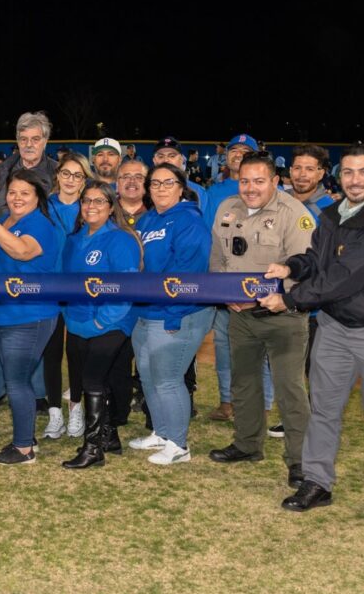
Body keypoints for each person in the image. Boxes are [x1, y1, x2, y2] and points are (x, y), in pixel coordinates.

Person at [260, 145, 364, 523]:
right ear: (339, 176)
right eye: (348, 172)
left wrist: (291, 300)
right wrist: (291, 266)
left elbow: (346, 276)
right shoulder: (332, 214)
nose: (355, 180)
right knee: (324, 411)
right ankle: (317, 482)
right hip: (335, 326)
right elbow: (319, 260)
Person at [206, 153, 317, 486]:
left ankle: (301, 461)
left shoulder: (294, 214)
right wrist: (223, 294)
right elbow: (218, 259)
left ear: (274, 181)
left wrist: (283, 298)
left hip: (283, 316)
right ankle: (247, 444)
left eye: (258, 181)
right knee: (244, 383)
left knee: (290, 390)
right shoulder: (228, 208)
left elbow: (306, 265)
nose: (250, 188)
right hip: (240, 315)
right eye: (244, 180)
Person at [0, 168, 65, 465]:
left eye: (25, 193)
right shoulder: (9, 220)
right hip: (1, 313)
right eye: (12, 192)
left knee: (17, 381)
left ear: (38, 197)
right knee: (15, 380)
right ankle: (26, 436)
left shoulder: (41, 224)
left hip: (29, 315)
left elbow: (23, 252)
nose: (17, 198)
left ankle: (24, 448)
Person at [132, 162, 212, 465]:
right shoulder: (148, 219)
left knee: (168, 378)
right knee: (149, 377)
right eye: (155, 183)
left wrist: (173, 314)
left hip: (179, 312)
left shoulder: (189, 221)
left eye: (168, 183)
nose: (160, 188)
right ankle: (162, 432)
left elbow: (188, 274)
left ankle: (179, 445)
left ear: (181, 187)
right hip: (148, 311)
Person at [60, 183, 142, 469]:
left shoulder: (121, 240)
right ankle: (109, 436)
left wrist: (101, 321)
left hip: (112, 322)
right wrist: (73, 318)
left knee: (93, 380)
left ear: (111, 207)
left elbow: (127, 287)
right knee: (95, 381)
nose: (91, 205)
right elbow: (65, 283)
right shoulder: (73, 239)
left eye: (99, 201)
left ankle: (92, 447)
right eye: (86, 200)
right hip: (79, 321)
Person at [198, 133, 259, 425]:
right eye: (234, 149)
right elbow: (210, 238)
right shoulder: (214, 191)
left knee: (260, 347)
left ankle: (265, 405)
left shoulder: (267, 190)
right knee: (223, 344)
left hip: (257, 280)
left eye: (247, 150)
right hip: (223, 279)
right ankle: (227, 402)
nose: (238, 153)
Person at [41, 151, 91, 439]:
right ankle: (54, 414)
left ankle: (75, 410)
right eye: (66, 173)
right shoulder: (45, 206)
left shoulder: (90, 206)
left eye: (78, 175)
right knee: (50, 354)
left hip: (78, 290)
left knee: (76, 352)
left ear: (85, 179)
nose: (71, 180)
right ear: (57, 175)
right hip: (49, 288)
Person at [0, 112, 57, 208]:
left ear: (45, 141)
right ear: (18, 141)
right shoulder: (0, 171)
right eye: (23, 139)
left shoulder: (59, 173)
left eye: (35, 139)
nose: (29, 144)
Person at [288, 145, 335, 217]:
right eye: (297, 168)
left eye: (310, 169)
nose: (302, 174)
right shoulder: (278, 199)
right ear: (290, 171)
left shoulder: (331, 210)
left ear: (320, 174)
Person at [115, 158, 147, 230]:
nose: (132, 181)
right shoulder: (106, 212)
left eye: (138, 177)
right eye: (126, 177)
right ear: (117, 183)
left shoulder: (158, 213)